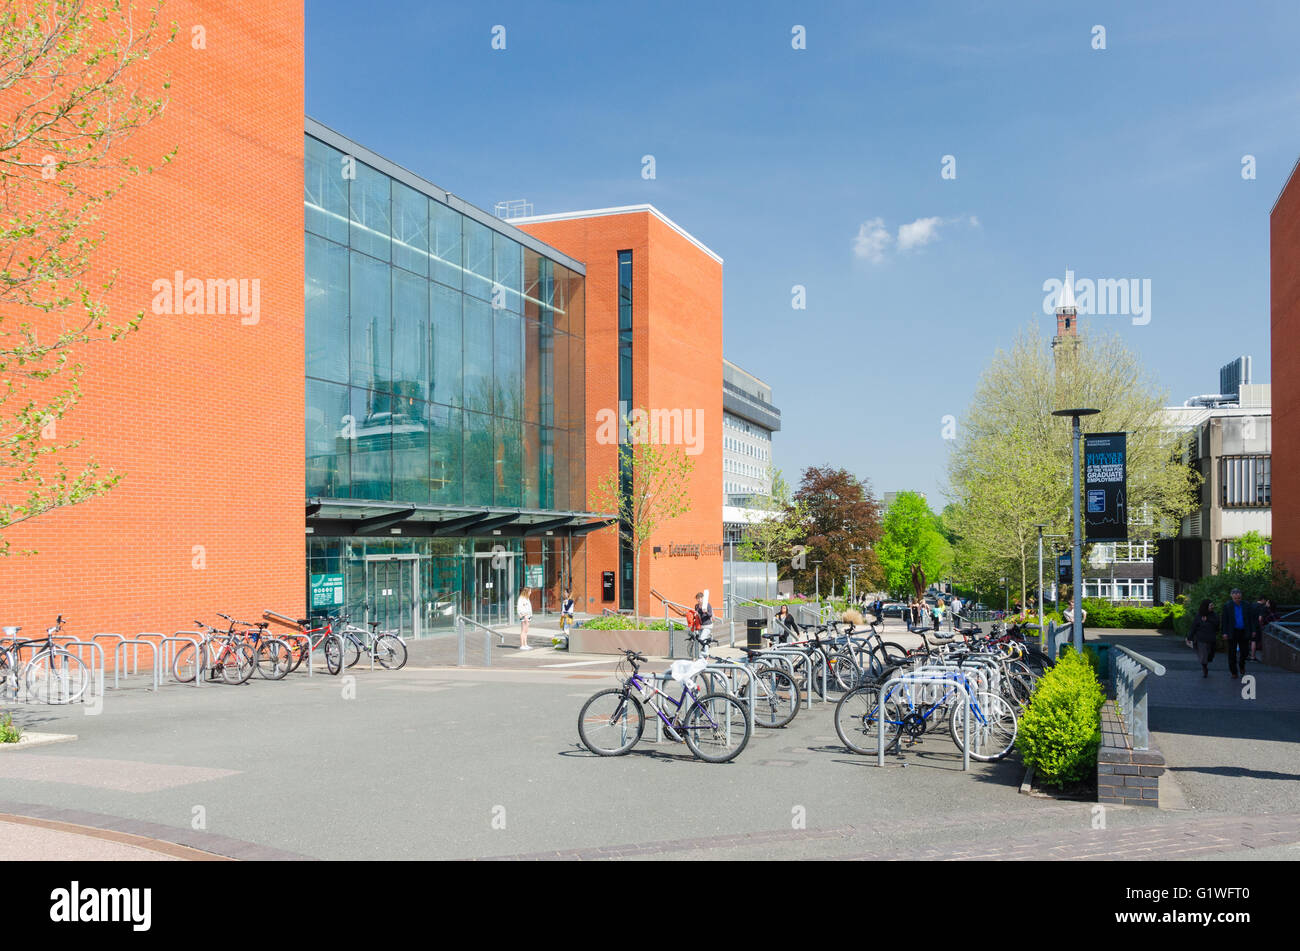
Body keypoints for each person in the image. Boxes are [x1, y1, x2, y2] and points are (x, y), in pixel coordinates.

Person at [1221, 588, 1256, 678]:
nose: (1237, 600)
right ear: (1232, 597)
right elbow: (1224, 620)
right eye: (1235, 598)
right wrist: (1224, 632)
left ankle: (1241, 665)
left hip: (1244, 631)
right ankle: (1234, 672)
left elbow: (1251, 619)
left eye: (1239, 598)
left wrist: (1253, 630)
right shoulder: (1227, 606)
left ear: (1241, 597)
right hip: (1232, 631)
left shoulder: (1247, 605)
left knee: (1244, 652)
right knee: (1232, 653)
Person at [1189, 599, 1218, 678]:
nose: (1212, 607)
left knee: (1210, 655)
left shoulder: (1214, 615)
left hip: (1211, 639)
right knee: (1203, 656)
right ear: (1206, 606)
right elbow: (1193, 627)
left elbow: (1217, 624)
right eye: (1211, 605)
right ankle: (1204, 667)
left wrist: (1208, 619)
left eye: (1212, 605)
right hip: (1201, 639)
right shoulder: (1199, 615)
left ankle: (1205, 663)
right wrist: (1189, 637)